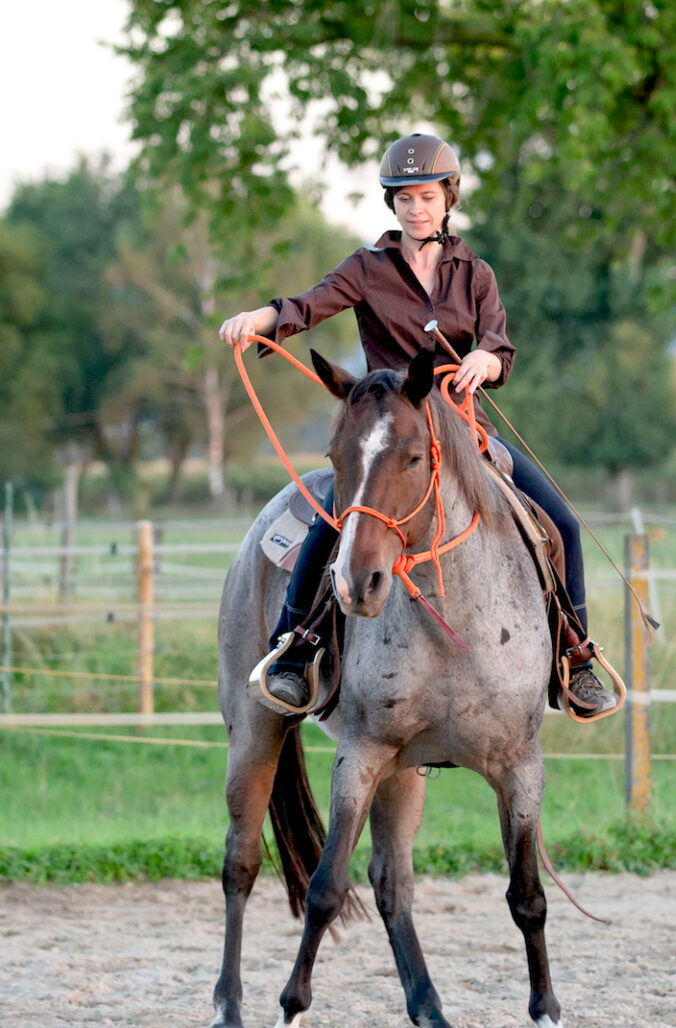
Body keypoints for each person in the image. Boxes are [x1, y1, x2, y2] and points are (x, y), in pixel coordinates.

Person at [219, 132, 616, 717]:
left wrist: (485, 361)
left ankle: (575, 658)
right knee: (332, 518)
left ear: (448, 197)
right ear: (393, 203)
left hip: (463, 436)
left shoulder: (475, 273)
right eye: (404, 198)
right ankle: (294, 649)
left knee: (563, 525)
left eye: (427, 196)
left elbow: (499, 346)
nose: (416, 208)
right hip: (388, 438)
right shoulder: (366, 268)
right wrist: (260, 317)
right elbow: (309, 304)